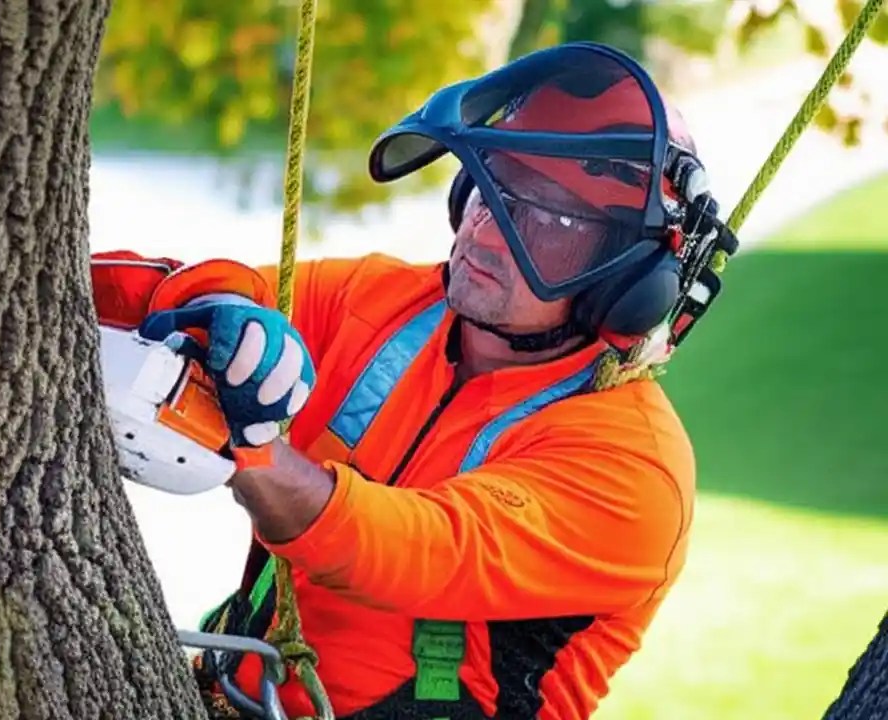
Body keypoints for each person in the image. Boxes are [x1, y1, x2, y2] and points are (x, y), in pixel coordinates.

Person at [90, 42, 737, 720]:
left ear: (628, 280)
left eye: (551, 221)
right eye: (491, 189)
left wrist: (249, 453)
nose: (487, 234)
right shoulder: (382, 301)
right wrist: (216, 304)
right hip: (232, 694)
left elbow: (414, 549)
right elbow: (199, 293)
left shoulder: (635, 473)